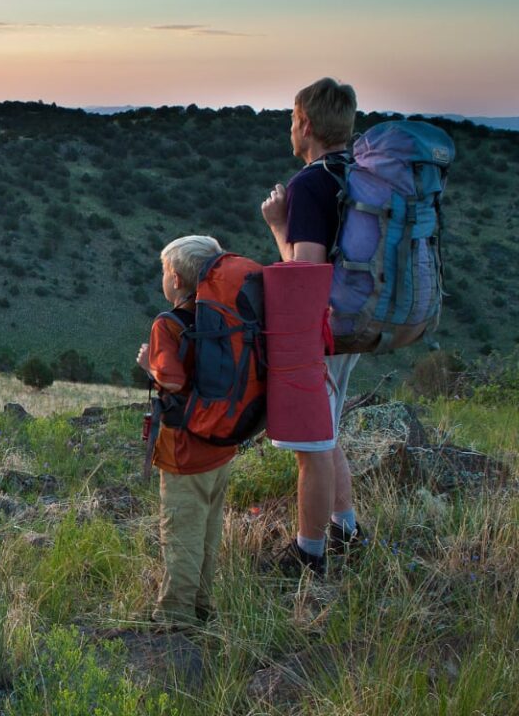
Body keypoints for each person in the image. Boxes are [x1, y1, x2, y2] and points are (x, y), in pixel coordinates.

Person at [259, 77, 367, 577]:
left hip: (321, 330)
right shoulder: (359, 175)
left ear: (305, 123)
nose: (290, 127)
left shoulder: (308, 184)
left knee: (311, 446)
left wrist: (279, 225)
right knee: (329, 431)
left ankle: (309, 553)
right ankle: (346, 529)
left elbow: (305, 276)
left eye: (291, 119)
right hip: (356, 322)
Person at [136, 234, 237, 626]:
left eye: (164, 271)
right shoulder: (224, 317)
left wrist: (150, 367)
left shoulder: (169, 324)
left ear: (176, 279)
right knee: (209, 531)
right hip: (222, 444)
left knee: (180, 532)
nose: (162, 277)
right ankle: (202, 606)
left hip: (184, 450)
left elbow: (173, 383)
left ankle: (175, 617)